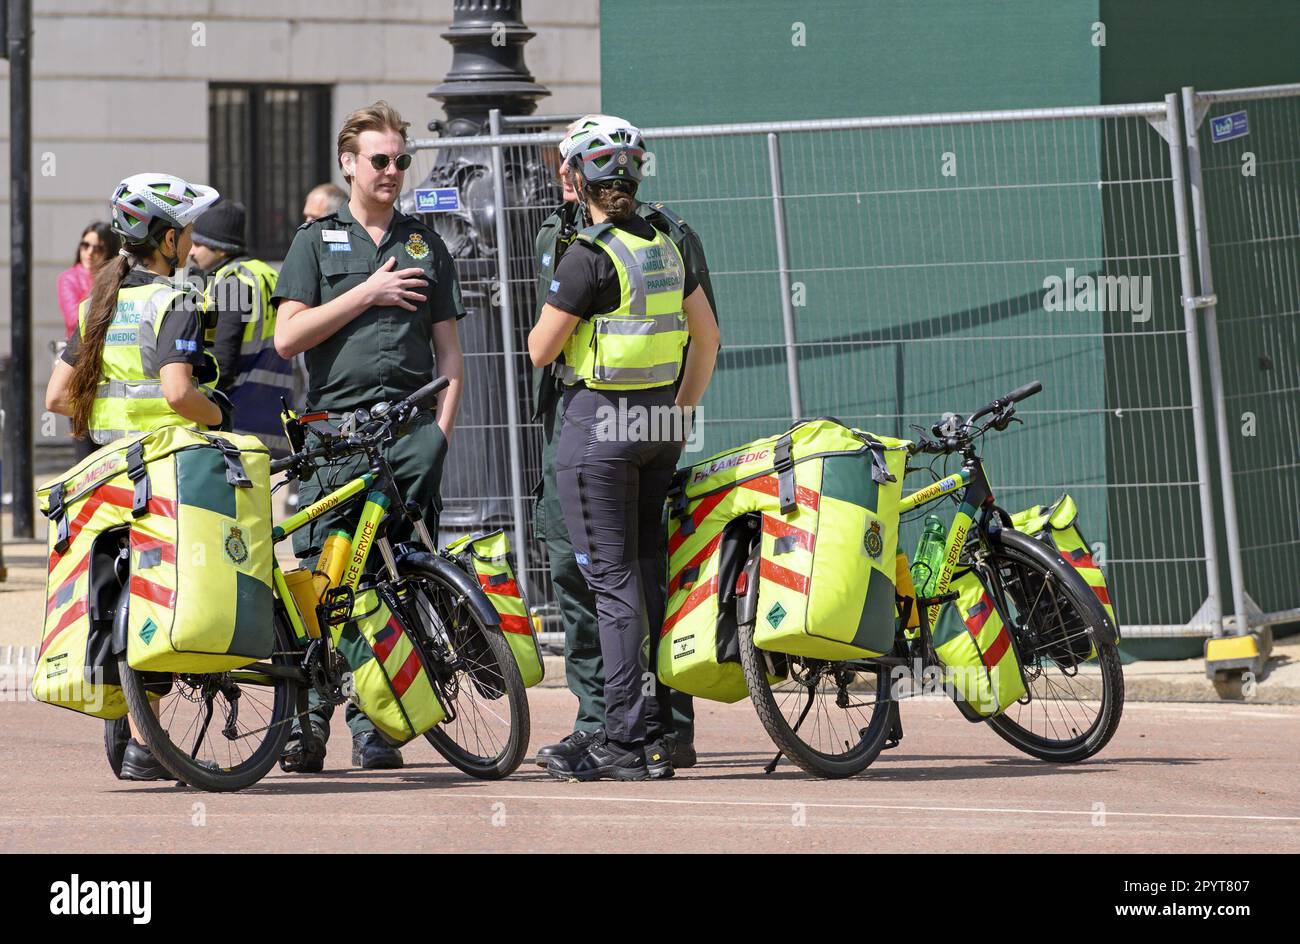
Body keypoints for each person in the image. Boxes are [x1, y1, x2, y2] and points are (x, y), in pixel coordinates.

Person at [272, 101, 466, 773]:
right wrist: (368, 293)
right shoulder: (313, 241)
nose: (392, 171)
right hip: (333, 439)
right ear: (348, 163)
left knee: (397, 582)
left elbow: (451, 359)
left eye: (401, 160)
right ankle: (307, 725)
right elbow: (288, 335)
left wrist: (439, 436)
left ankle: (380, 724)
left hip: (408, 432)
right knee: (324, 586)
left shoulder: (424, 243)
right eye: (379, 160)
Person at [528, 124, 720, 781]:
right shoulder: (666, 243)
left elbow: (540, 350)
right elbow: (709, 337)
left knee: (609, 586)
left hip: (598, 430)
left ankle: (623, 739)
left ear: (581, 180)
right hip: (658, 425)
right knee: (648, 576)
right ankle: (660, 732)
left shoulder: (588, 253)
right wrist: (680, 409)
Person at [45, 172, 224, 781]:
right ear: (168, 239)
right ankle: (150, 746)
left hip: (106, 475)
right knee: (168, 597)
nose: (193, 241)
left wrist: (106, 414)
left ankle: (129, 740)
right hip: (165, 470)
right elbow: (178, 392)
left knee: (117, 595)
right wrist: (217, 413)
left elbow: (56, 397)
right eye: (189, 231)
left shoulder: (104, 300)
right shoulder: (175, 300)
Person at [188, 200, 295, 454]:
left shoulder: (232, 282)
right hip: (276, 413)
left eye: (199, 244)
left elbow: (223, 361)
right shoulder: (267, 273)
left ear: (221, 249)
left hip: (239, 418)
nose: (192, 251)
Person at [57, 222, 121, 338]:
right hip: (79, 347)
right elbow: (73, 320)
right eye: (85, 245)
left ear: (110, 252)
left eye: (98, 248)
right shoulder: (68, 278)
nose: (90, 252)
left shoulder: (119, 277)